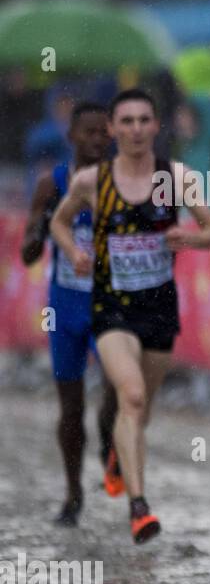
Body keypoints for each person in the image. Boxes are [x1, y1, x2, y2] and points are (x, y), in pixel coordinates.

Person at [49, 88, 210, 543]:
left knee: (139, 412)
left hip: (159, 308)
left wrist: (188, 236)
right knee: (133, 396)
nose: (136, 129)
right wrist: (72, 252)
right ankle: (139, 507)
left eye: (145, 120)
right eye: (126, 121)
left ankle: (118, 459)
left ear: (156, 126)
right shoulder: (92, 181)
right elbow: (59, 222)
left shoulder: (175, 176)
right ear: (113, 129)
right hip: (112, 308)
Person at [20, 101, 118, 526]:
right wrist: (41, 227)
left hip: (109, 305)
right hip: (64, 309)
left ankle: (109, 435)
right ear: (71, 137)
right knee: (71, 408)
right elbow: (27, 254)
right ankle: (73, 494)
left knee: (116, 391)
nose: (96, 140)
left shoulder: (125, 183)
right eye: (88, 133)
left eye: (103, 133)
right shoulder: (52, 184)